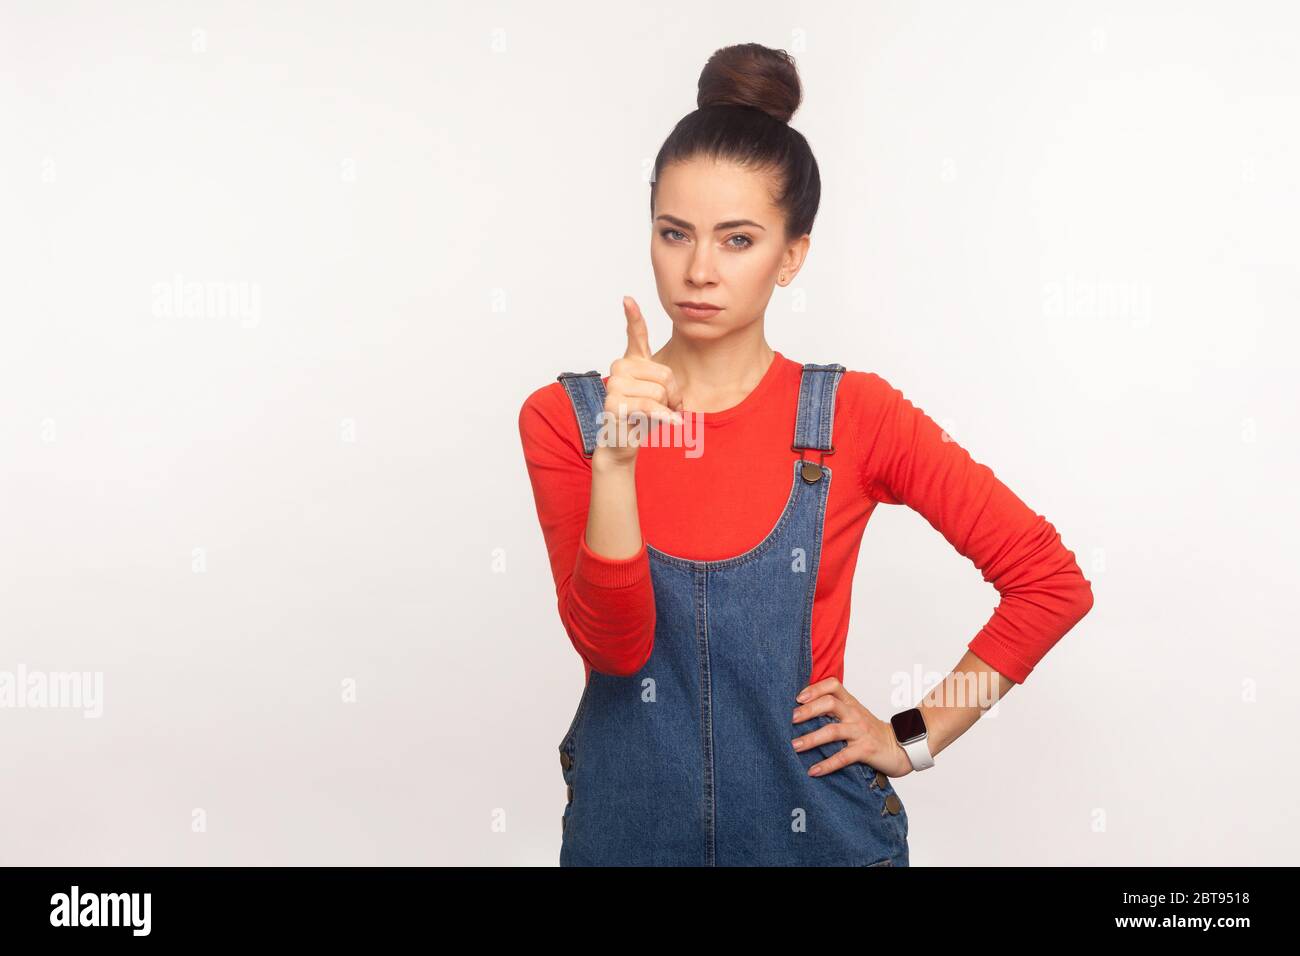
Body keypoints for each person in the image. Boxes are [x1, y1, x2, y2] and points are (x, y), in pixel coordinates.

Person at [517, 42, 1094, 866]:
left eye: (739, 239)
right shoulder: (566, 420)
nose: (700, 270)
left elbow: (1049, 583)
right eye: (675, 233)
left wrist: (916, 735)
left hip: (817, 840)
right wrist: (617, 463)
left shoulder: (852, 416)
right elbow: (615, 649)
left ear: (792, 256)